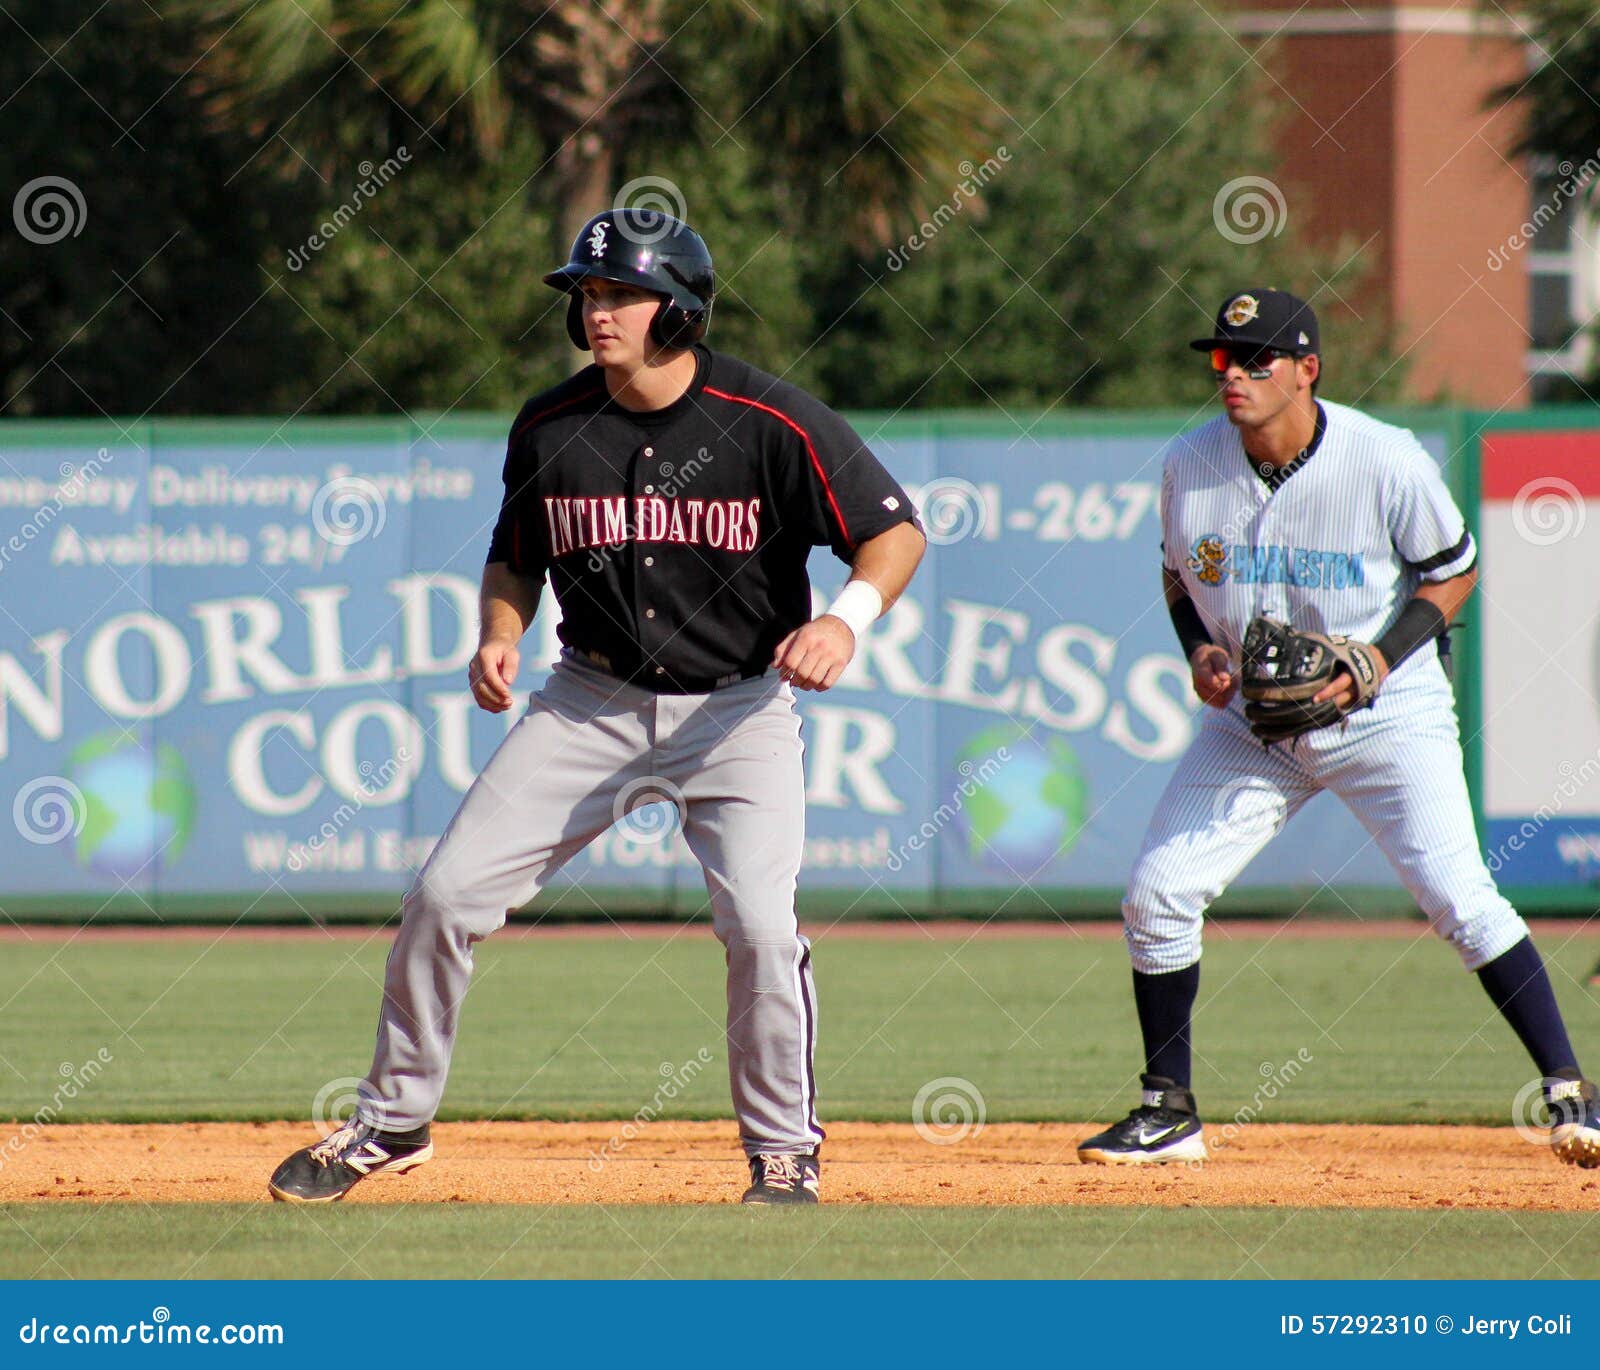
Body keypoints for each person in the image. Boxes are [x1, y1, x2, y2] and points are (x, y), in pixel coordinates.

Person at [268, 207, 926, 1205]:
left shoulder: (772, 419)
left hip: (736, 712)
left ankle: (784, 1149)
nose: (596, 308)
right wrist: (499, 629)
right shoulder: (551, 424)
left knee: (757, 921)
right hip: (588, 699)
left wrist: (844, 621)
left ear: (680, 310)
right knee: (443, 895)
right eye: (587, 292)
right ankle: (395, 1118)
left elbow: (895, 533)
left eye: (618, 292)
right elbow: (514, 556)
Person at [1076, 287, 1600, 1168]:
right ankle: (1169, 1110)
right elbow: (1177, 577)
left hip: (1386, 716)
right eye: (1223, 359)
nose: (1234, 375)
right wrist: (1202, 651)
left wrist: (1380, 660)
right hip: (1254, 723)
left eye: (1256, 360)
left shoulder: (1383, 459)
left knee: (1461, 901)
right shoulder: (1190, 464)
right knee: (1157, 892)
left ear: (1307, 370)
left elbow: (1454, 572)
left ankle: (1571, 1093)